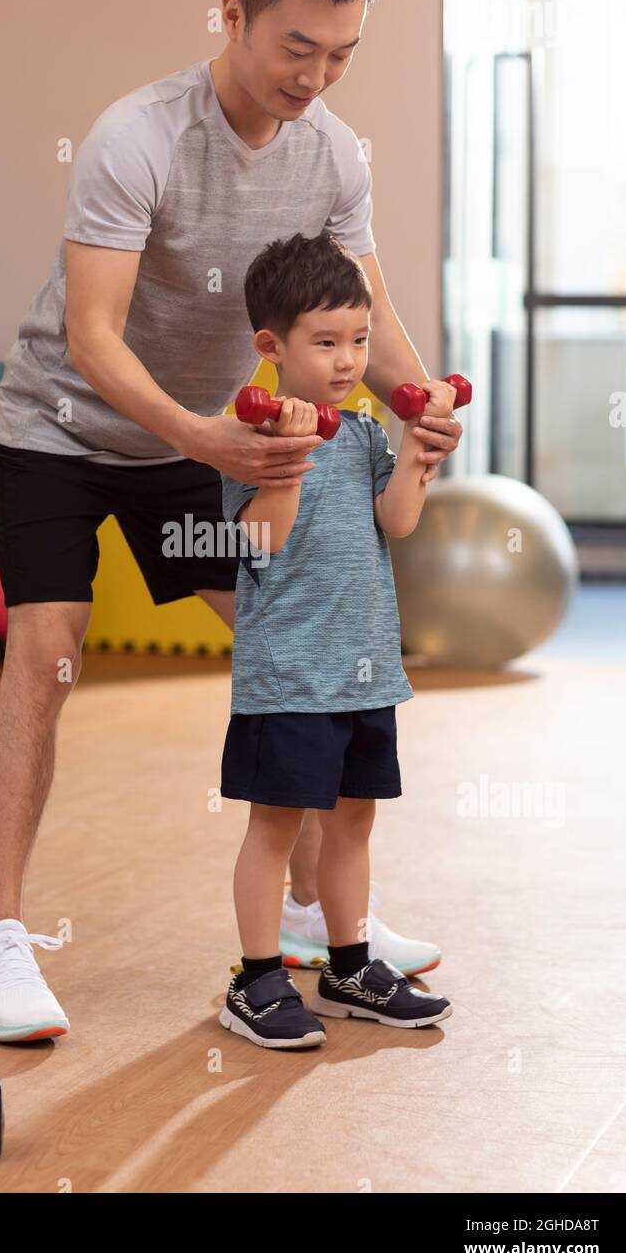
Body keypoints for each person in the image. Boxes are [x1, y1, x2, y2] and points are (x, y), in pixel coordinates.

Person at [0, 0, 463, 1043]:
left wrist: (418, 404)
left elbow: (365, 318)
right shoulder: (135, 137)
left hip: (205, 443)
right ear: (231, 14)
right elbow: (93, 336)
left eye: (340, 55)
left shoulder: (332, 152)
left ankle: (313, 921)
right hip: (67, 432)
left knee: (311, 643)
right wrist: (202, 440)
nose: (316, 77)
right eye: (296, 48)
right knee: (47, 654)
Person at [219, 230, 454, 1048]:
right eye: (327, 343)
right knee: (275, 829)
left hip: (365, 675)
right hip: (290, 678)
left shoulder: (358, 435)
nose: (351, 361)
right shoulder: (247, 440)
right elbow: (260, 544)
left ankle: (348, 968)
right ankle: (254, 983)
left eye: (359, 340)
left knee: (354, 823)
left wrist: (418, 453)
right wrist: (285, 456)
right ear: (271, 347)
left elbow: (396, 521)